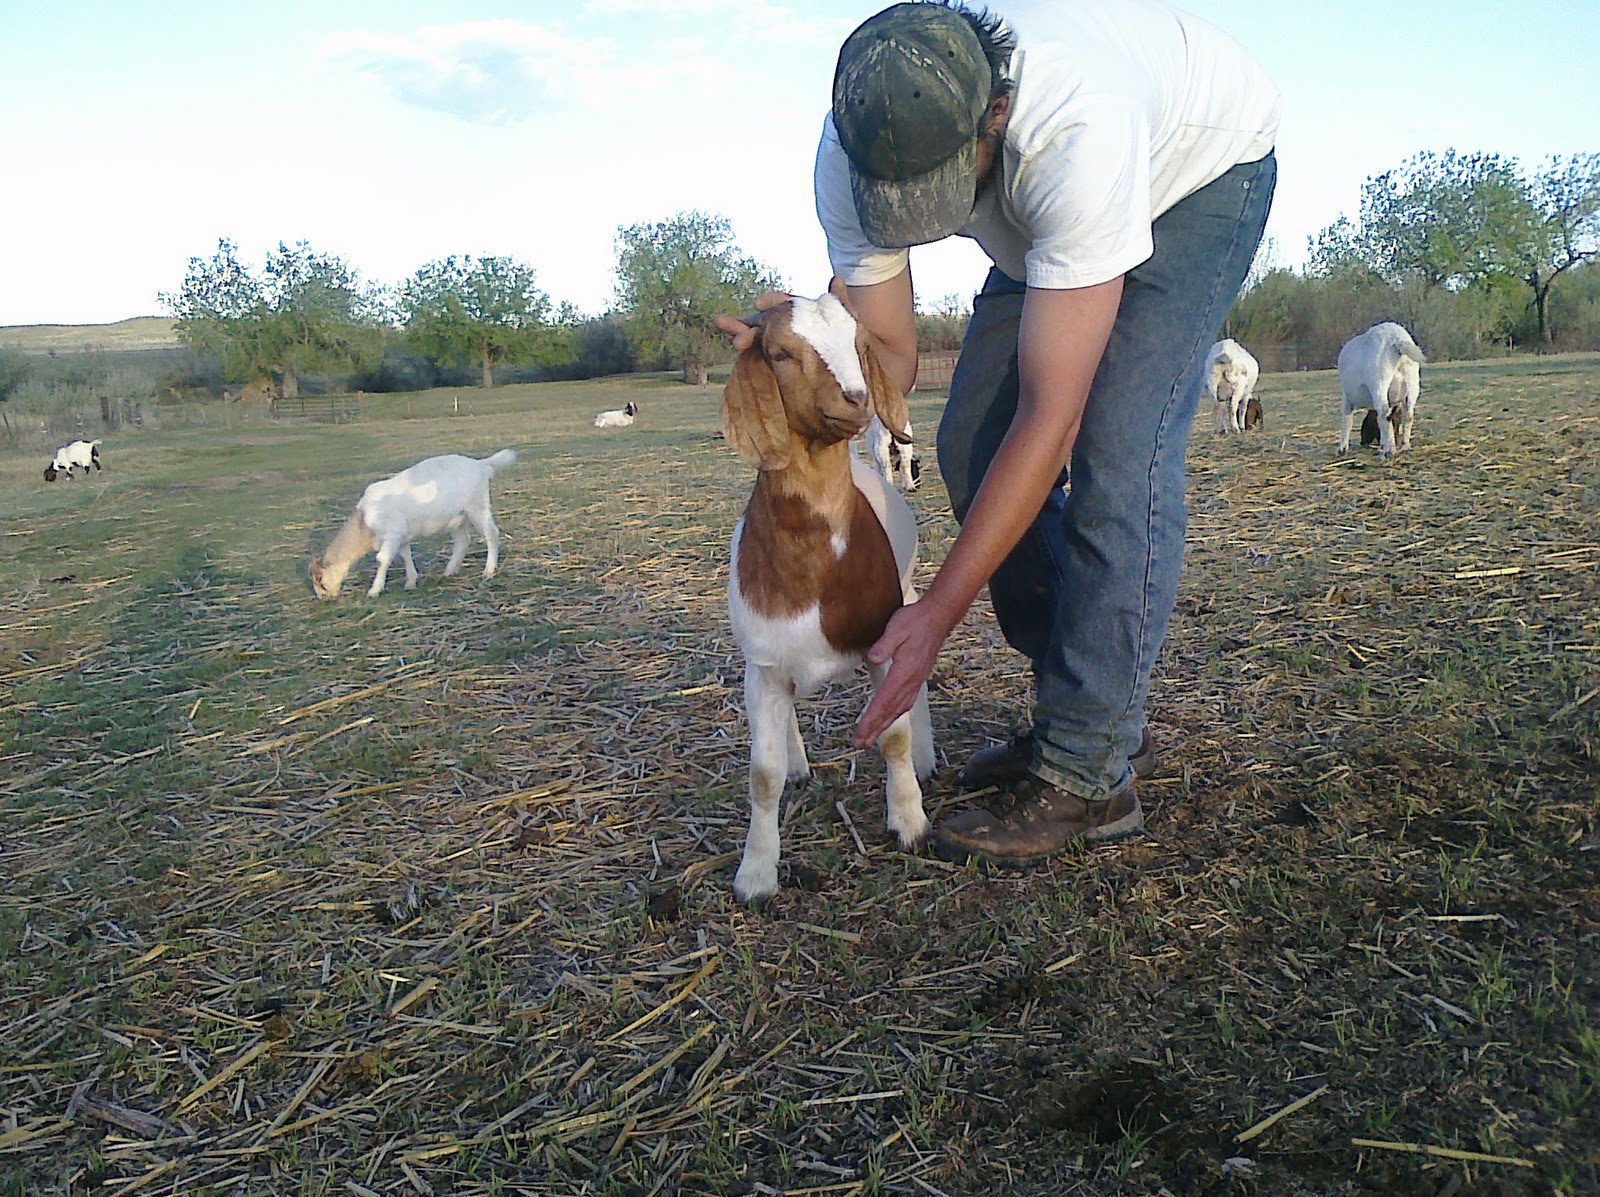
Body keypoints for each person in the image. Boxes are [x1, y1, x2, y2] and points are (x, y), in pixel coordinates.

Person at [718, 0, 1279, 867]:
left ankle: (1090, 764)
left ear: (993, 117)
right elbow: (890, 363)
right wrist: (806, 360)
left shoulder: (1074, 130)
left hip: (1198, 177)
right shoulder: (855, 150)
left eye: (936, 200)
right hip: (1053, 213)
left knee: (1118, 458)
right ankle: (1091, 702)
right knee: (969, 444)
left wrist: (937, 609)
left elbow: (1051, 415)